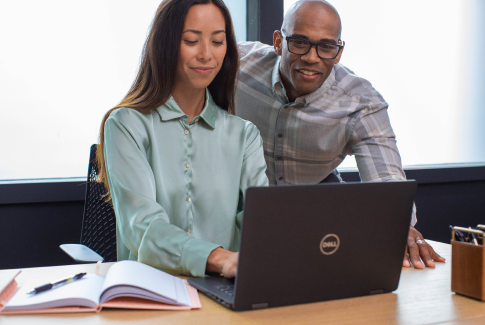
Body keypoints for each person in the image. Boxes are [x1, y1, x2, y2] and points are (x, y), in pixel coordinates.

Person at [235, 0, 445, 269]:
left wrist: (398, 225)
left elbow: (386, 181)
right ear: (278, 42)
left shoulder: (361, 103)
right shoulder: (237, 66)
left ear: (338, 52)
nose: (312, 57)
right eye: (299, 42)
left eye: (326, 47)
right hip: (233, 214)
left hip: (312, 228)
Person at [97, 0, 267, 278]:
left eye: (217, 41)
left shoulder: (244, 135)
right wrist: (217, 258)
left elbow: (260, 223)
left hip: (226, 293)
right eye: (191, 41)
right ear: (165, 44)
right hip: (151, 294)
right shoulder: (126, 125)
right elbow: (142, 227)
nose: (206, 55)